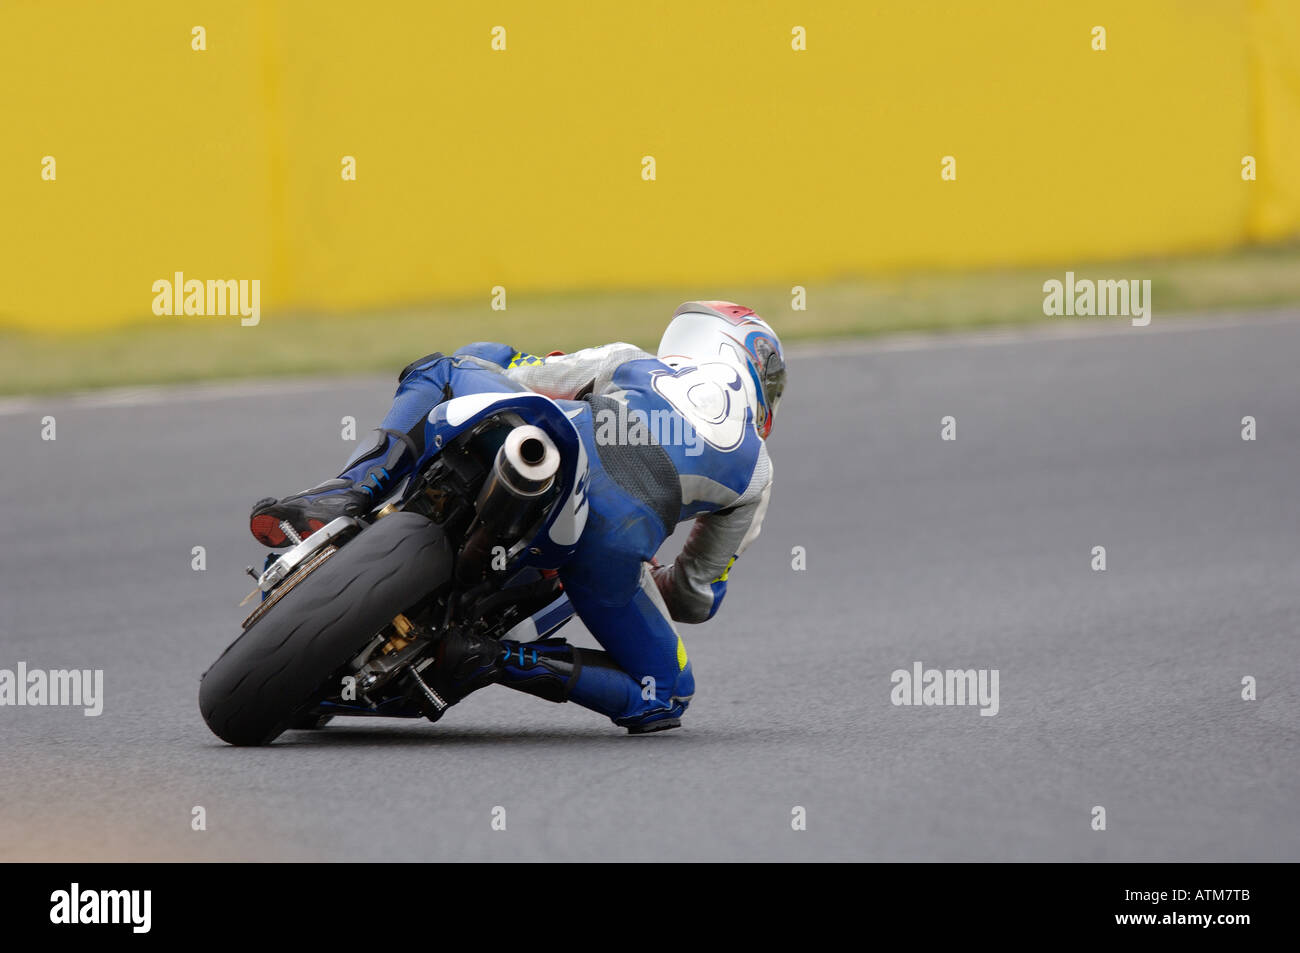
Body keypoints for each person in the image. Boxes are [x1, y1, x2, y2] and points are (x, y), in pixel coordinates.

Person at [248, 301, 785, 733]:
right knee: (665, 696)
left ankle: (347, 494)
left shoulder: (630, 359)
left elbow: (523, 374)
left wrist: (496, 367)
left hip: (556, 437)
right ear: (756, 372)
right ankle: (491, 655)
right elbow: (694, 597)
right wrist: (649, 576)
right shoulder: (755, 473)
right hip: (614, 541)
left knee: (443, 369)